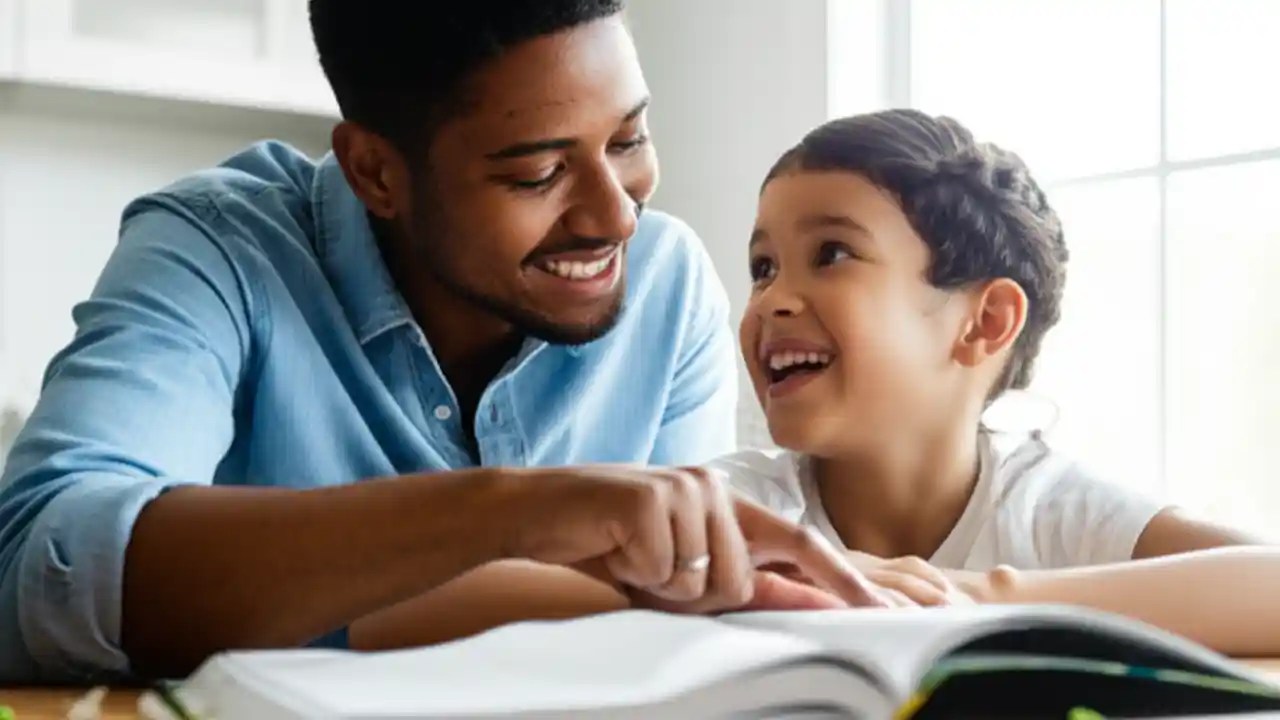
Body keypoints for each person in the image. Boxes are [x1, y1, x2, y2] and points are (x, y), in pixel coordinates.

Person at [0, 2, 900, 684]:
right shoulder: (221, 253)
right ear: (375, 172)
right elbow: (39, 568)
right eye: (538, 173)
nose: (615, 214)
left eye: (629, 138)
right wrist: (513, 511)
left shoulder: (665, 286)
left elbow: (659, 631)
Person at [713, 108, 1280, 655]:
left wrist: (983, 597)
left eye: (831, 253)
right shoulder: (742, 505)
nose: (772, 301)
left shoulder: (1053, 514)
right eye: (763, 268)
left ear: (985, 322)